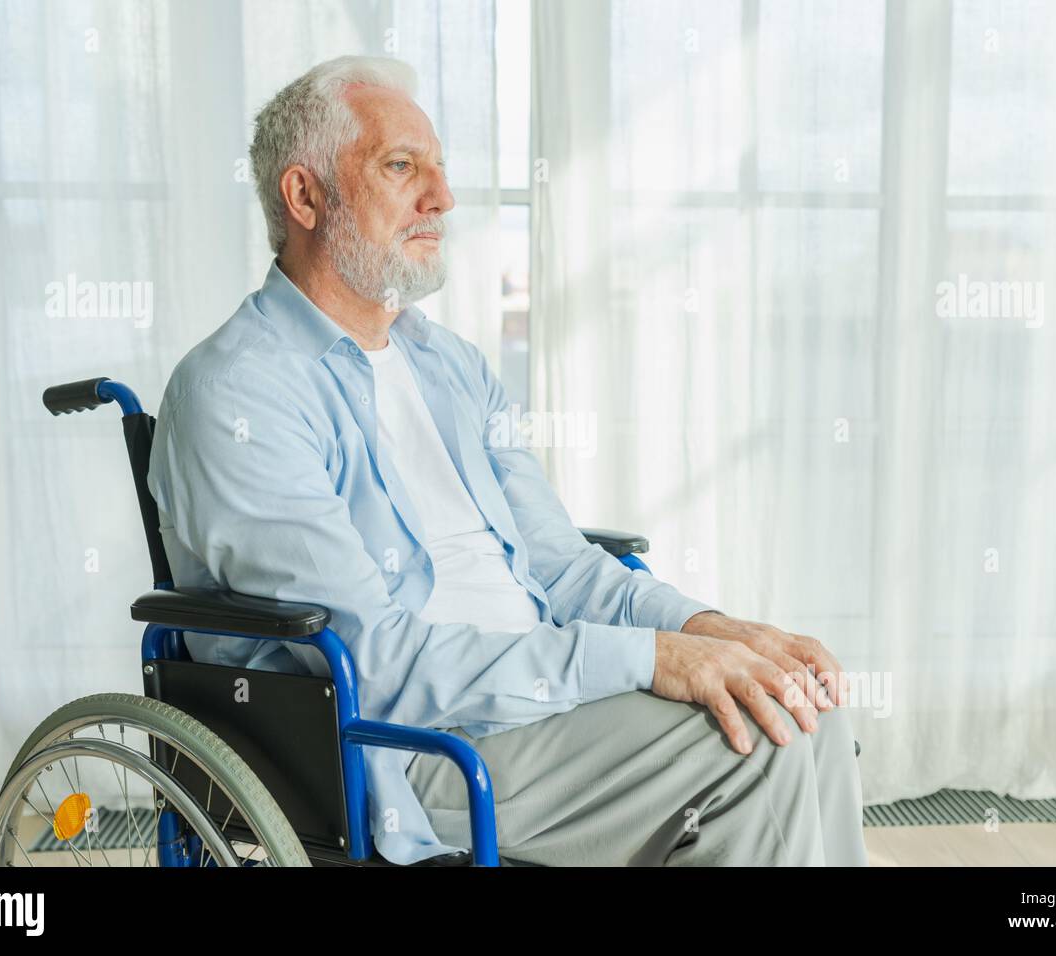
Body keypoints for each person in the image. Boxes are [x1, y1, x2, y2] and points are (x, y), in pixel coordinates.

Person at [147, 54, 868, 866]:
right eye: (400, 166)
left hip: (544, 706)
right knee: (761, 743)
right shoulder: (240, 392)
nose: (442, 198)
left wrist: (712, 632)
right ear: (305, 195)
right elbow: (377, 665)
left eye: (441, 170)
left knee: (802, 707)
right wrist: (649, 660)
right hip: (402, 751)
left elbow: (562, 569)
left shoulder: (450, 367)